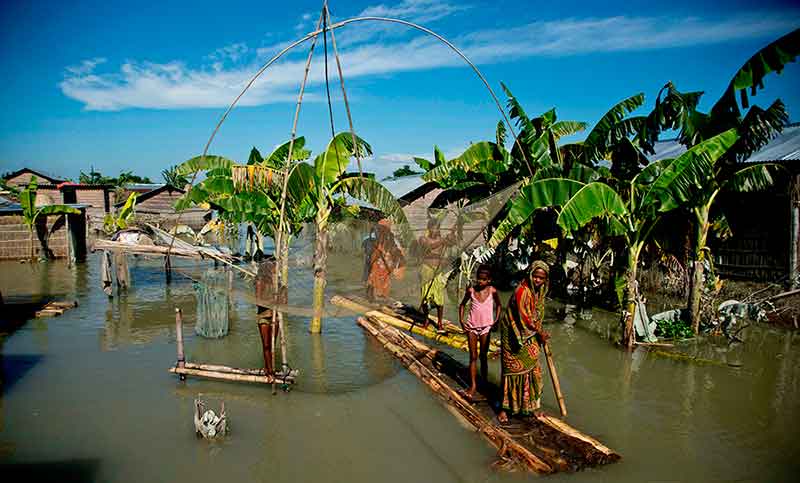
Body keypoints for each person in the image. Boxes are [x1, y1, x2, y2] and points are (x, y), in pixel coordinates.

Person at [497, 260, 550, 423]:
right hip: (514, 335)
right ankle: (504, 409)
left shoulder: (540, 292)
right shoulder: (522, 291)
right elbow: (524, 318)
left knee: (533, 369)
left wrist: (540, 333)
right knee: (511, 372)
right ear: (530, 274)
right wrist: (540, 332)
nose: (538, 281)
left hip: (530, 335)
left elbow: (537, 315)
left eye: (541, 278)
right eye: (535, 276)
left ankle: (531, 407)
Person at [458, 264, 502, 401]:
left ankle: (483, 383)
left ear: (489, 280)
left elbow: (499, 305)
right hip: (471, 327)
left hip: (486, 327)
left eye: (483, 280)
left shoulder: (492, 291)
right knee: (473, 356)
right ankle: (473, 385)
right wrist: (461, 321)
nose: (480, 282)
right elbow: (462, 305)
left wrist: (496, 321)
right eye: (478, 279)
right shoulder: (471, 290)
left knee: (483, 356)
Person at [418, 217, 453, 334]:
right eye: (433, 228)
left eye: (437, 228)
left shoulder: (442, 239)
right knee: (425, 296)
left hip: (437, 271)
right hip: (426, 269)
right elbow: (429, 247)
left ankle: (439, 322)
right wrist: (443, 240)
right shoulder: (423, 239)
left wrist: (452, 236)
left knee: (439, 298)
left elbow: (452, 243)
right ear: (429, 228)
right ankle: (426, 319)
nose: (435, 230)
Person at [366, 219, 404, 302]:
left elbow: (396, 251)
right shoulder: (379, 237)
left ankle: (379, 296)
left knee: (380, 279)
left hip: (385, 263)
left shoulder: (389, 238)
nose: (379, 230)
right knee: (374, 278)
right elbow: (375, 252)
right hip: (380, 262)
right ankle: (374, 296)